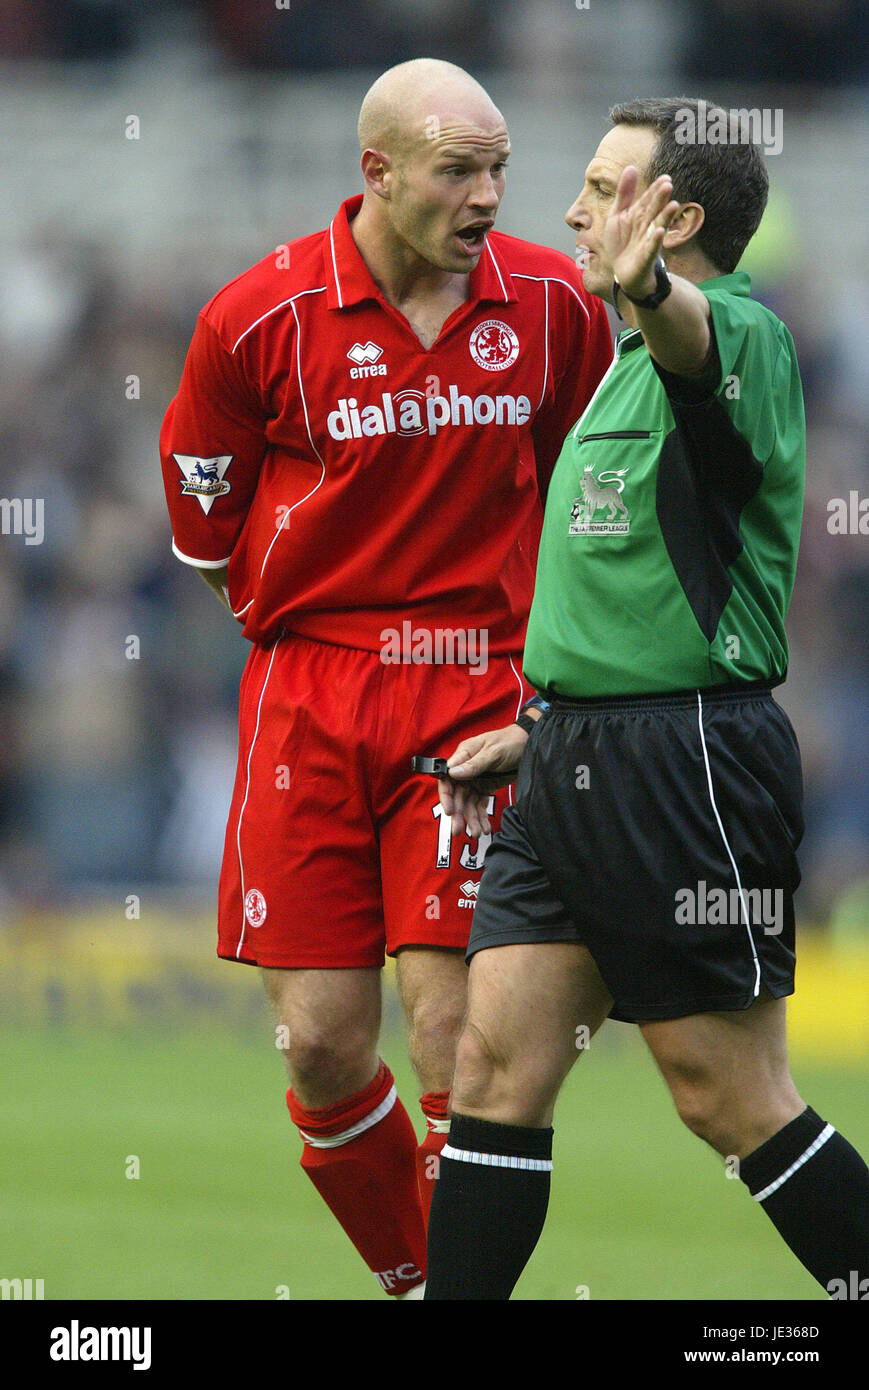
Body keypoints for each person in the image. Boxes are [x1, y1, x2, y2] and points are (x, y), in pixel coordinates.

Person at [159, 58, 612, 1297]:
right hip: (311, 691)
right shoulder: (257, 319)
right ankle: (421, 1280)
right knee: (316, 1043)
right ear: (378, 172)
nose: (487, 195)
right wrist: (311, 625)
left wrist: (549, 680)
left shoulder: (557, 305)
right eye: (459, 170)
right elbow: (207, 532)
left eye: (499, 169)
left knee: (456, 1039)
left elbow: (587, 494)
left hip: (475, 697)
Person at [424, 97, 869, 1300]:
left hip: (686, 762)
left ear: (670, 220)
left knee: (721, 1093)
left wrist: (655, 294)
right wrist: (539, 729)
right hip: (571, 757)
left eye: (601, 187)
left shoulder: (736, 335)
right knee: (493, 1066)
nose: (569, 209)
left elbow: (696, 347)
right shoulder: (615, 370)